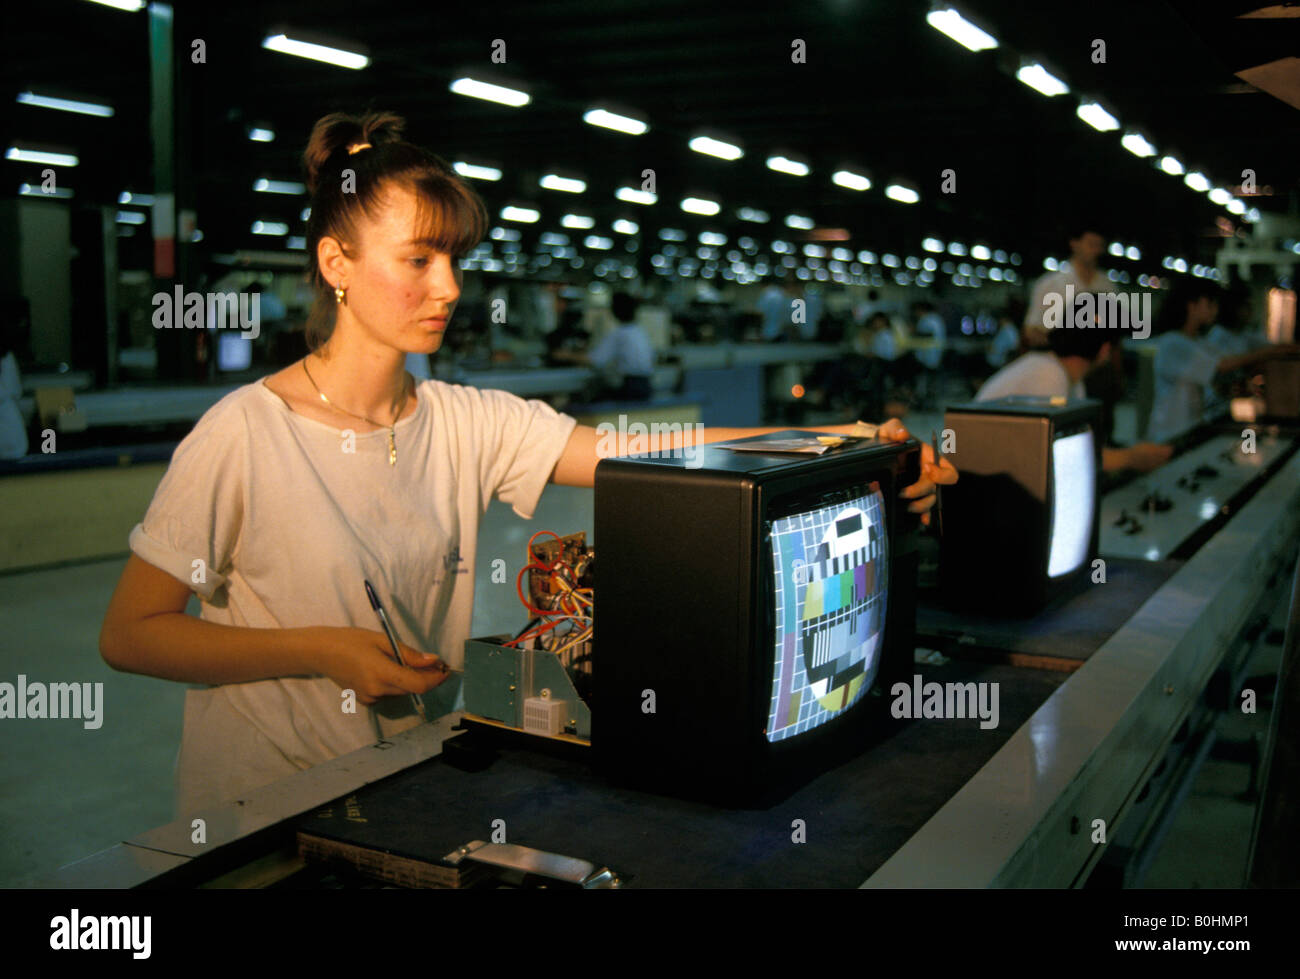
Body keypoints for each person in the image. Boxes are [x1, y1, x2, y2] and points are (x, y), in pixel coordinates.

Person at [99, 110, 957, 815]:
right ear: (336, 265)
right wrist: (323, 648)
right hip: (263, 810)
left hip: (401, 787)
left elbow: (638, 450)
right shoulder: (245, 433)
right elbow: (131, 633)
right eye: (419, 260)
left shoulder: (465, 421)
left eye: (455, 261)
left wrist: (840, 438)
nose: (451, 287)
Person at [977, 296, 1172, 473]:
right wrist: (1130, 458)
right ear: (1105, 349)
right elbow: (1057, 457)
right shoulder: (1048, 376)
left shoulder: (1066, 377)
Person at [1147, 281, 1298, 442]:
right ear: (1191, 306)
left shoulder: (1198, 342)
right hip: (1170, 432)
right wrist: (1271, 352)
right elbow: (1222, 365)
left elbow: (1227, 367)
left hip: (1190, 427)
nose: (1215, 310)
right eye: (1210, 304)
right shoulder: (1173, 342)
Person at [552, 291, 655, 400]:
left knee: (591, 400)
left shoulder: (619, 333)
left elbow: (596, 360)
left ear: (614, 311)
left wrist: (565, 355)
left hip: (631, 388)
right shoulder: (639, 331)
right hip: (646, 386)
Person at [1024, 226, 1111, 350]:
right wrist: (1062, 347)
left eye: (1099, 245)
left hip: (1097, 365)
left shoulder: (1108, 286)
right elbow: (1031, 330)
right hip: (1057, 362)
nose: (1095, 250)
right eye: (1091, 244)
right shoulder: (1049, 284)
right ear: (1074, 244)